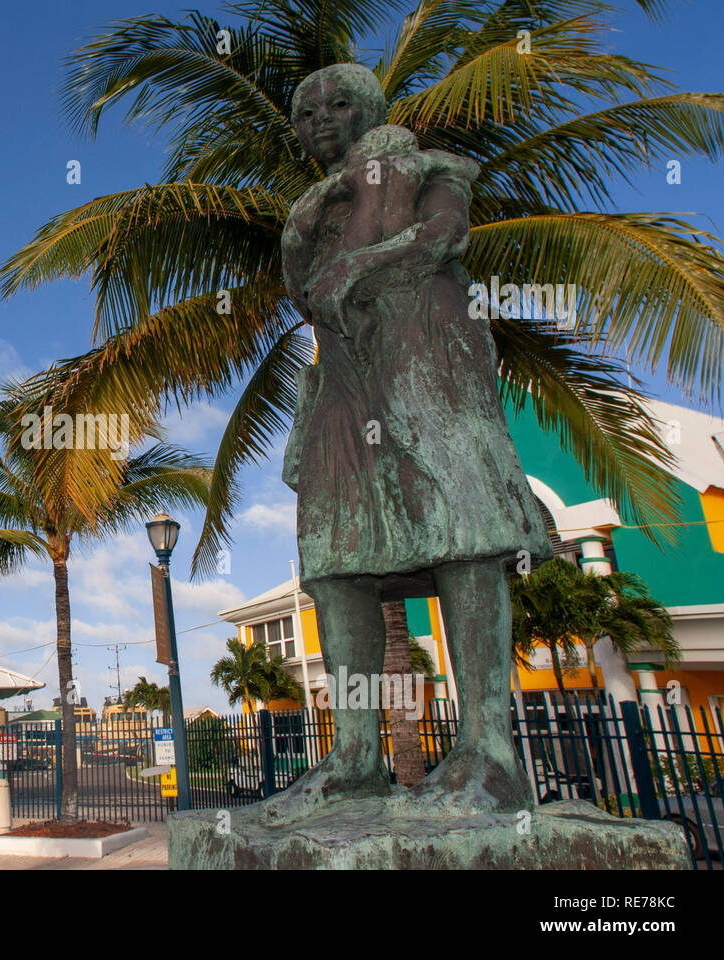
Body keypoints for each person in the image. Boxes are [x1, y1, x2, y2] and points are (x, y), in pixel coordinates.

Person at [271, 63, 551, 821]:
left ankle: (489, 750)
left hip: (424, 352)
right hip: (344, 378)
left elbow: (444, 234)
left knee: (463, 531)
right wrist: (308, 230)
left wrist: (364, 260)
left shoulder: (428, 165)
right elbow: (302, 287)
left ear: (370, 108)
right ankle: (355, 757)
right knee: (335, 558)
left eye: (337, 103)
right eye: (306, 111)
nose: (321, 118)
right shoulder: (313, 204)